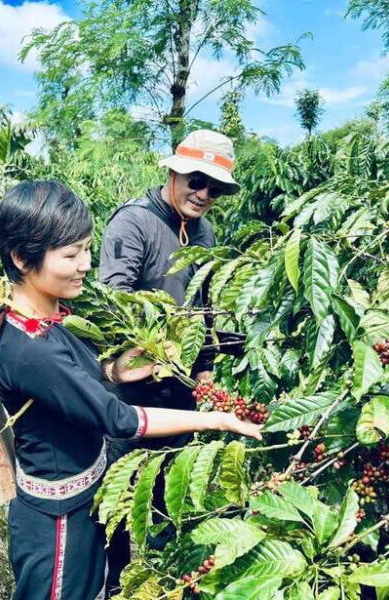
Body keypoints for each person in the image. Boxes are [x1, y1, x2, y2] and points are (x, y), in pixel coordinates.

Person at [0, 180, 261, 600]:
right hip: (56, 524)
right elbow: (119, 419)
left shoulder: (54, 319)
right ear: (23, 258)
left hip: (82, 500)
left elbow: (66, 386)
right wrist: (216, 418)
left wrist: (114, 371)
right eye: (70, 254)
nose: (85, 264)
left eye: (86, 249)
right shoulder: (28, 347)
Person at [98, 130, 242, 590]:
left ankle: (167, 585)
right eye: (196, 181)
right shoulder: (133, 223)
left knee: (171, 499)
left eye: (215, 188)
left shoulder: (205, 232)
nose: (203, 194)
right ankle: (114, 589)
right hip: (130, 390)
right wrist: (152, 352)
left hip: (179, 392)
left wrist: (203, 371)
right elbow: (111, 302)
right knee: (117, 505)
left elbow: (202, 309)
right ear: (173, 172)